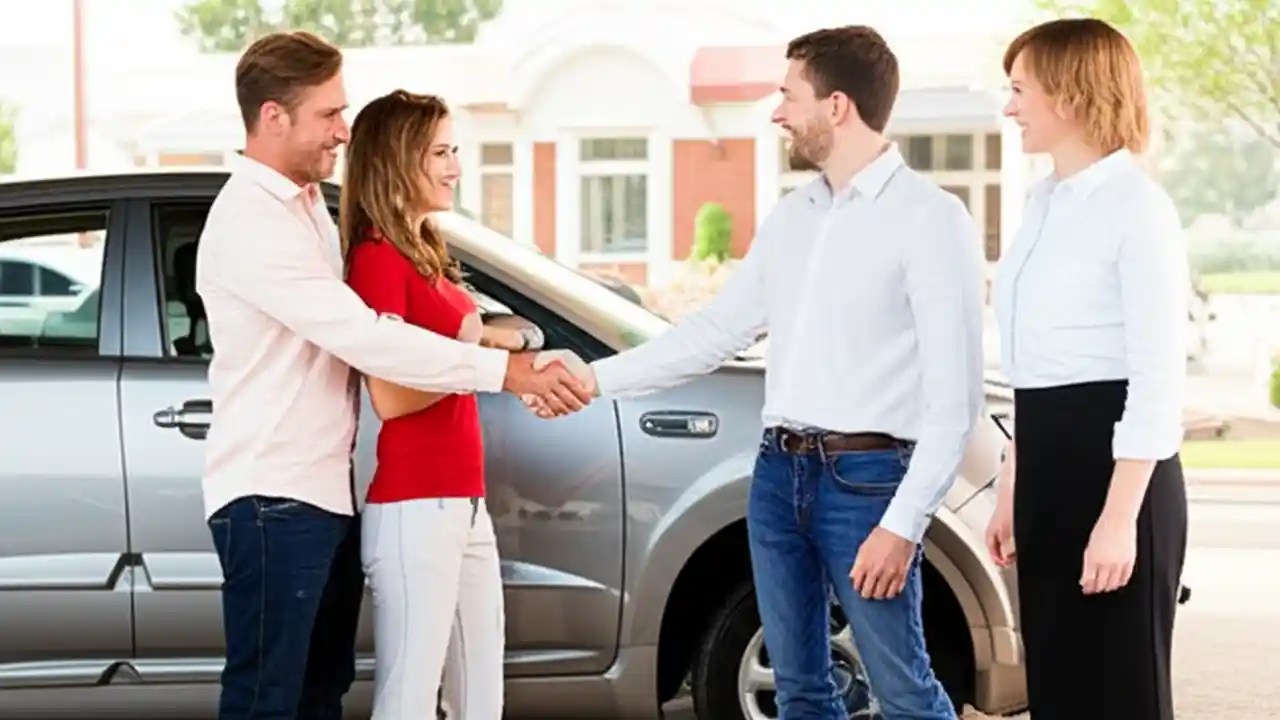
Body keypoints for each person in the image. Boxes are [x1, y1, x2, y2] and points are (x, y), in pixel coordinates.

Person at [540, 25, 985, 720]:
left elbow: (953, 401)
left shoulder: (930, 219)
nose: (778, 112)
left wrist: (903, 525)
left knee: (904, 692)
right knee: (802, 689)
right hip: (779, 477)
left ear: (837, 106)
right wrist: (594, 380)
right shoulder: (793, 217)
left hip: (866, 485)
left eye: (788, 94)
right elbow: (715, 333)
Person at [195, 32, 589, 720]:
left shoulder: (307, 206)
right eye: (328, 114)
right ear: (273, 117)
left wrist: (499, 340)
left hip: (318, 494)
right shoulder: (251, 221)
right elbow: (369, 341)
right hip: (270, 496)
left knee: (319, 694)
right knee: (267, 698)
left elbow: (408, 329)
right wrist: (505, 371)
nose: (343, 131)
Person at [984, 18, 1189, 720]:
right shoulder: (1041, 203)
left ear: (1069, 95)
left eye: (1019, 89)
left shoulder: (1137, 208)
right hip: (1047, 467)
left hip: (1118, 478)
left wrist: (1118, 519)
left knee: (1120, 692)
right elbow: (1035, 361)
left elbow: (1158, 379)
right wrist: (1014, 478)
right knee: (1063, 692)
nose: (1008, 107)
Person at [341, 90, 532, 720]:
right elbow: (390, 396)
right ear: (399, 160)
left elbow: (457, 336)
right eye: (442, 152)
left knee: (481, 698)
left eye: (456, 151)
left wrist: (510, 339)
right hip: (414, 506)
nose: (456, 167)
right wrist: (474, 356)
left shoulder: (424, 253)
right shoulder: (376, 258)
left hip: (462, 500)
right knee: (410, 700)